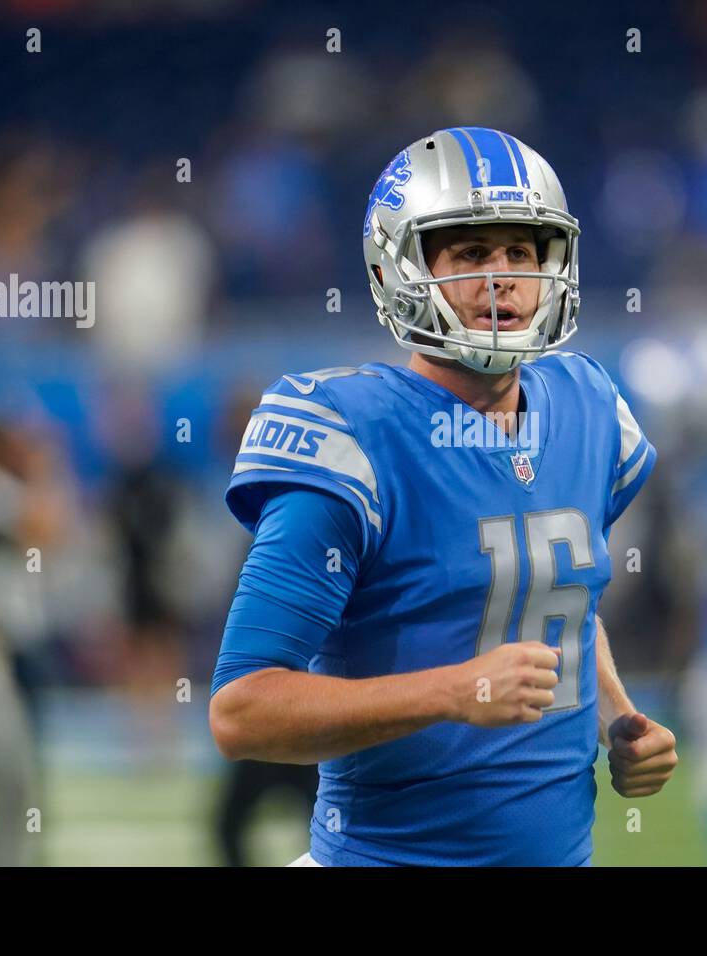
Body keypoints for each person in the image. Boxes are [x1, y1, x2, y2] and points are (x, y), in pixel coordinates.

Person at [208, 127, 677, 866]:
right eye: (469, 253)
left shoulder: (588, 404)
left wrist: (617, 718)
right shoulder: (354, 433)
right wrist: (450, 692)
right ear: (399, 268)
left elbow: (557, 599)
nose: (503, 278)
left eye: (521, 252)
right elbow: (242, 712)